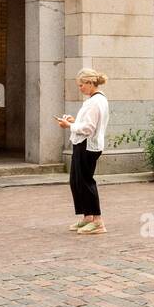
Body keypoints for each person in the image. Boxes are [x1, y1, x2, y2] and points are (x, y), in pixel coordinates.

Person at [58, 68, 109, 234]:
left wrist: (69, 126)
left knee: (85, 182)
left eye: (81, 85)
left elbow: (88, 128)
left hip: (87, 145)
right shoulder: (94, 100)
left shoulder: (95, 102)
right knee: (76, 181)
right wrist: (74, 121)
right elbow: (87, 123)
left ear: (89, 83)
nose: (80, 88)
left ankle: (98, 221)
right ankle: (88, 217)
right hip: (83, 144)